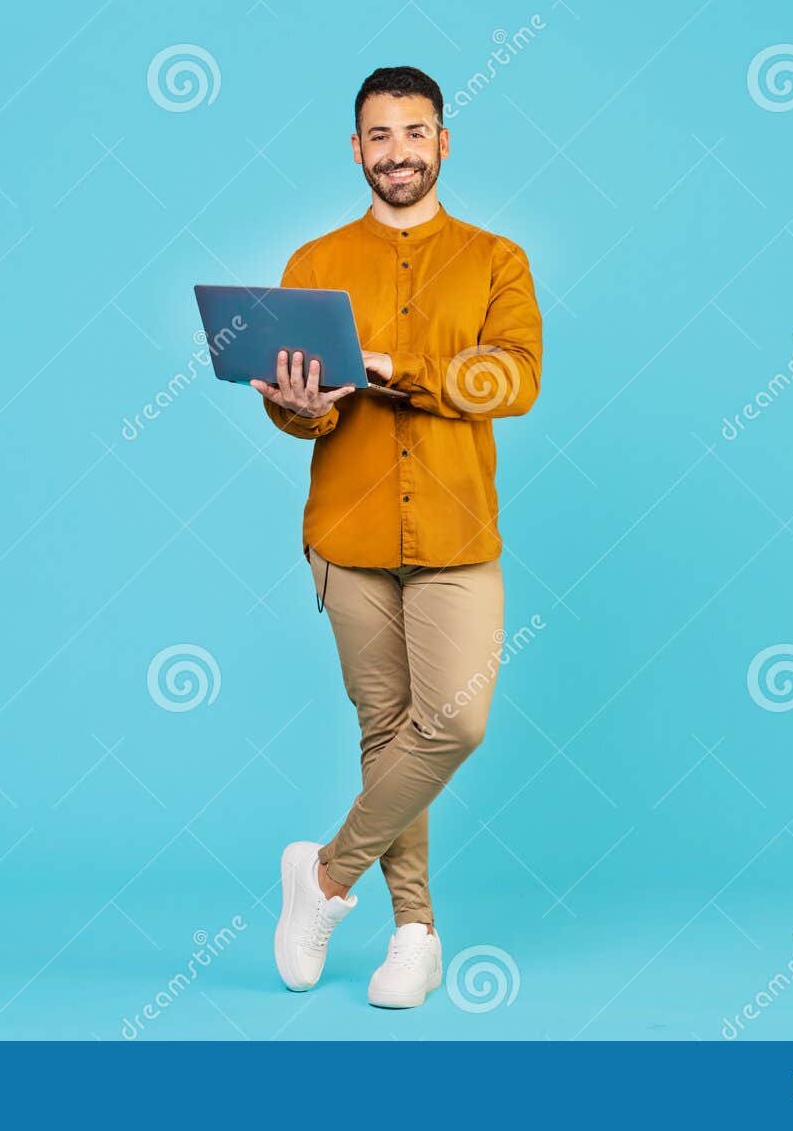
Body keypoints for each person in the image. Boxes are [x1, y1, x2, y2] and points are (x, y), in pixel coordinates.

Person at [253, 66, 543, 1008]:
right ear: (356, 150)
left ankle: (325, 879)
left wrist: (394, 365)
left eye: (414, 133)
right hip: (348, 532)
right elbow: (310, 419)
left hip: (459, 535)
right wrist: (297, 407)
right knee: (385, 730)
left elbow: (512, 381)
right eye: (379, 137)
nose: (398, 153)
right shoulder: (313, 262)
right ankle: (413, 933)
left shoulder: (498, 259)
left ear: (444, 141)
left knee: (451, 721)